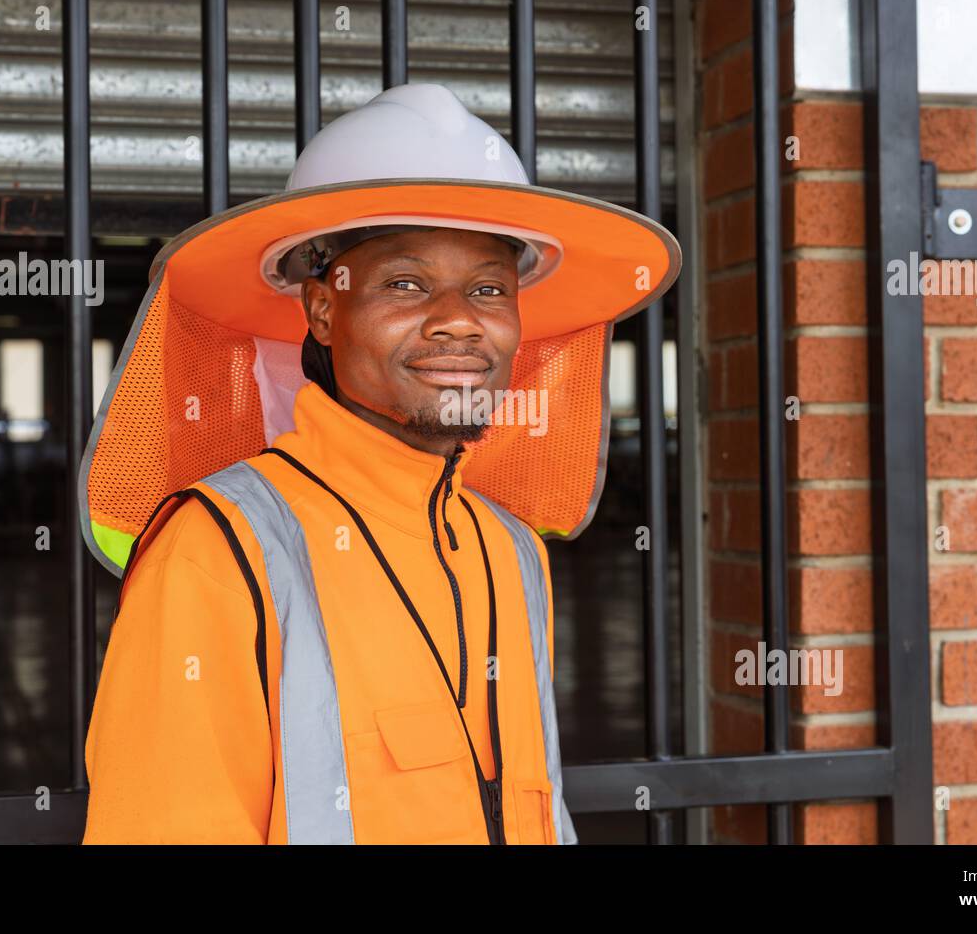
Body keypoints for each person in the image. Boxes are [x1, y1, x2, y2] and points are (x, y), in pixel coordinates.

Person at [78, 82, 681, 844]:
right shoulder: (217, 551)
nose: (461, 320)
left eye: (490, 288)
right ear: (323, 309)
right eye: (406, 283)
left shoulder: (510, 549)